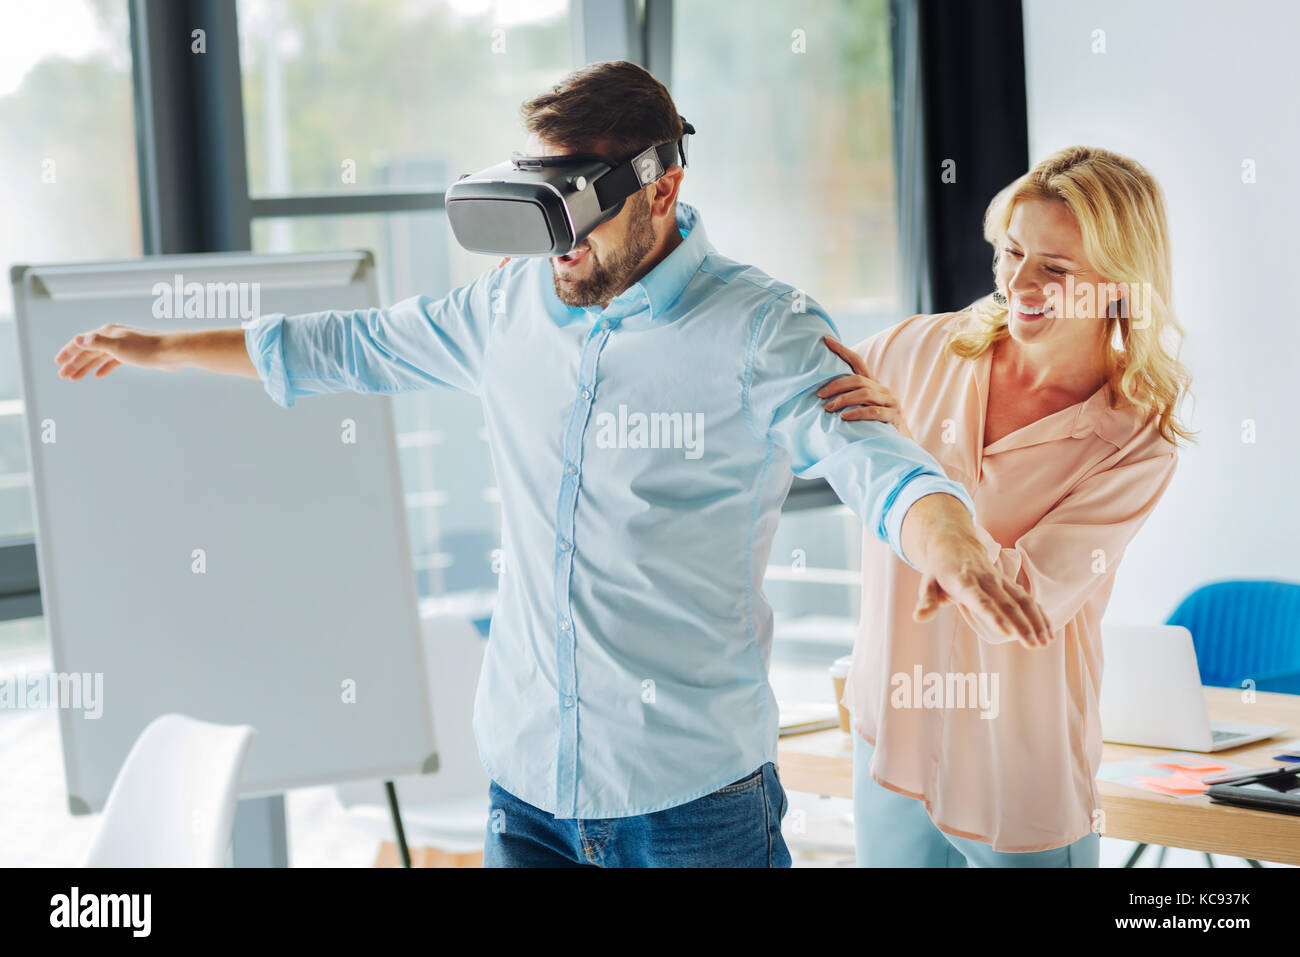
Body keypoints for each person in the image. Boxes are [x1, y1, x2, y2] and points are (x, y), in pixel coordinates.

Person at [53, 60, 1046, 868]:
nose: (552, 242)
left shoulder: (758, 328)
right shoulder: (506, 307)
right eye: (535, 203)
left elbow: (870, 453)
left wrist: (949, 539)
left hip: (690, 807)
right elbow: (341, 348)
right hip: (523, 797)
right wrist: (163, 346)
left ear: (662, 189)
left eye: (574, 208)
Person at [819, 146, 1191, 866]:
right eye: (1011, 252)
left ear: (1120, 286)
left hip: (1020, 767)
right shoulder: (912, 351)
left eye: (1055, 268)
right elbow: (799, 419)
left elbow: (1025, 595)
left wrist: (944, 544)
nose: (1018, 282)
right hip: (894, 738)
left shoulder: (1134, 442)